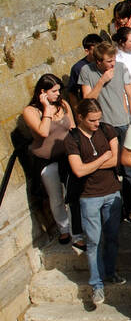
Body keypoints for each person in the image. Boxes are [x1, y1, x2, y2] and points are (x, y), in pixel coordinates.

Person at [64, 98, 123, 306]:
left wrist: (91, 164)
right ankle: (96, 284)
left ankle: (110, 271)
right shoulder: (72, 139)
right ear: (80, 117)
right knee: (93, 241)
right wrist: (102, 159)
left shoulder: (107, 130)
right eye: (92, 120)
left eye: (99, 119)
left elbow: (117, 159)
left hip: (112, 192)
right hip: (89, 196)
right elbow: (78, 171)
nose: (97, 124)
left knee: (113, 236)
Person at [20, 74, 75, 241]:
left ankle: (77, 228)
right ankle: (63, 229)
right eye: (54, 91)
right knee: (56, 196)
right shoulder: (30, 111)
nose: (58, 94)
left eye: (59, 90)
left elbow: (72, 127)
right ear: (43, 92)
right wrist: (47, 110)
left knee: (72, 194)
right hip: (47, 160)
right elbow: (42, 132)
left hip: (67, 156)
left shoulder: (63, 104)